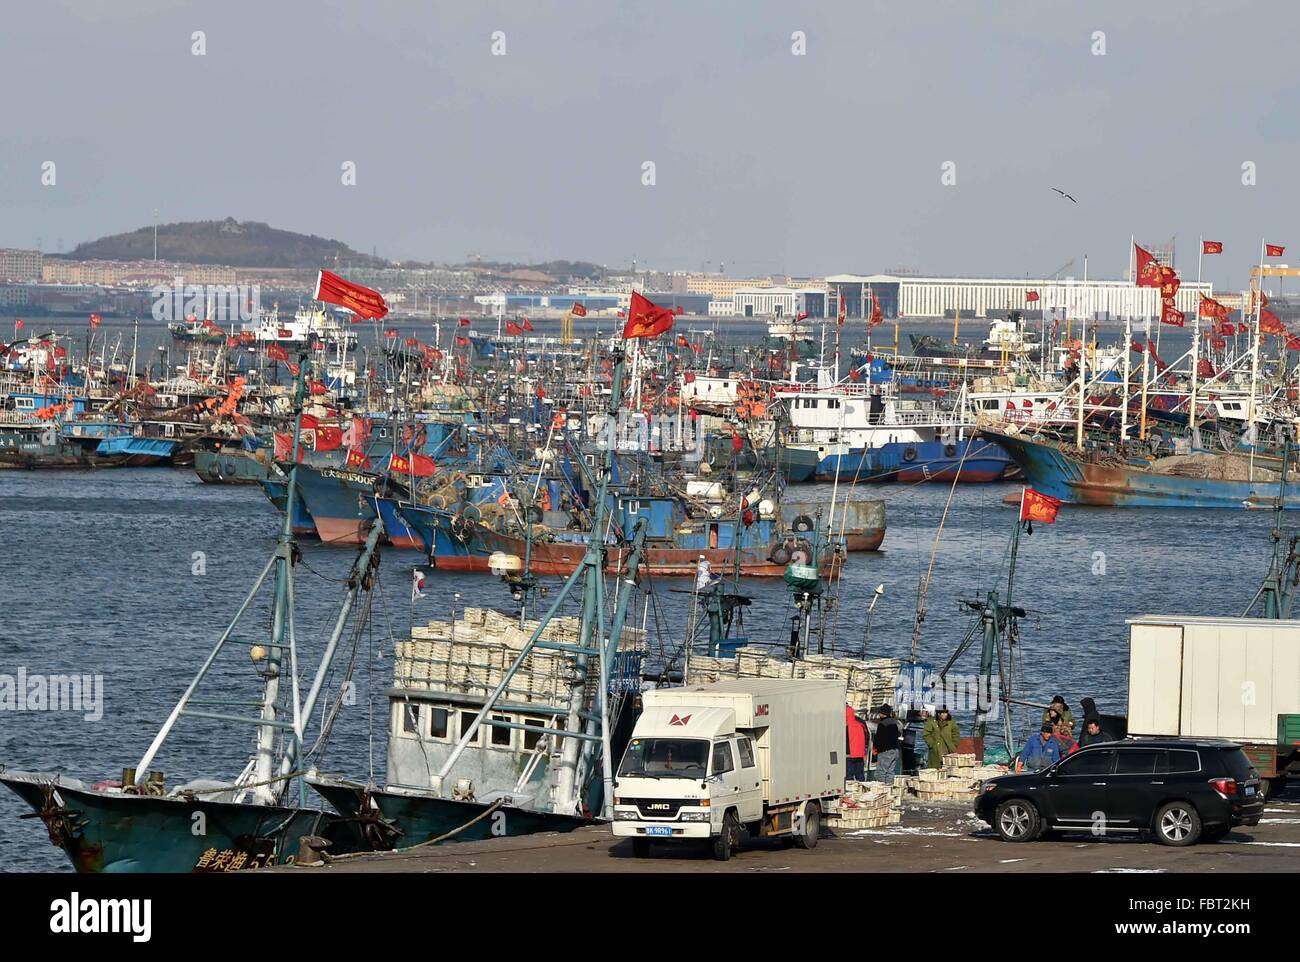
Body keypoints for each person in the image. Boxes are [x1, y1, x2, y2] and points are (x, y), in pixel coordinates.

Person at [872, 705, 902, 783]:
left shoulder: (882, 724)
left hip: (885, 751)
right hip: (894, 750)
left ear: (882, 713)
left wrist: (876, 748)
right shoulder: (894, 723)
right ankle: (890, 790)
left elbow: (880, 738)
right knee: (890, 773)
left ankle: (881, 791)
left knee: (880, 773)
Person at [845, 704, 868, 782]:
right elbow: (867, 735)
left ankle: (850, 793)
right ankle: (862, 791)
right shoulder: (861, 721)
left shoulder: (844, 724)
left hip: (848, 754)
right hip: (860, 753)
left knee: (849, 777)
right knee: (860, 776)